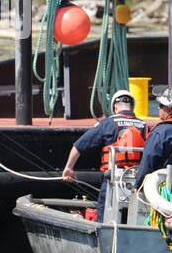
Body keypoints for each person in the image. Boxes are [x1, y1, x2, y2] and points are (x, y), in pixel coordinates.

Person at [61, 89, 150, 217]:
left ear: (114, 107)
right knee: (138, 215)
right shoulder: (144, 125)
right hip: (138, 180)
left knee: (106, 215)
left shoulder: (107, 124)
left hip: (113, 179)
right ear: (132, 107)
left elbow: (79, 146)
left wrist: (69, 168)